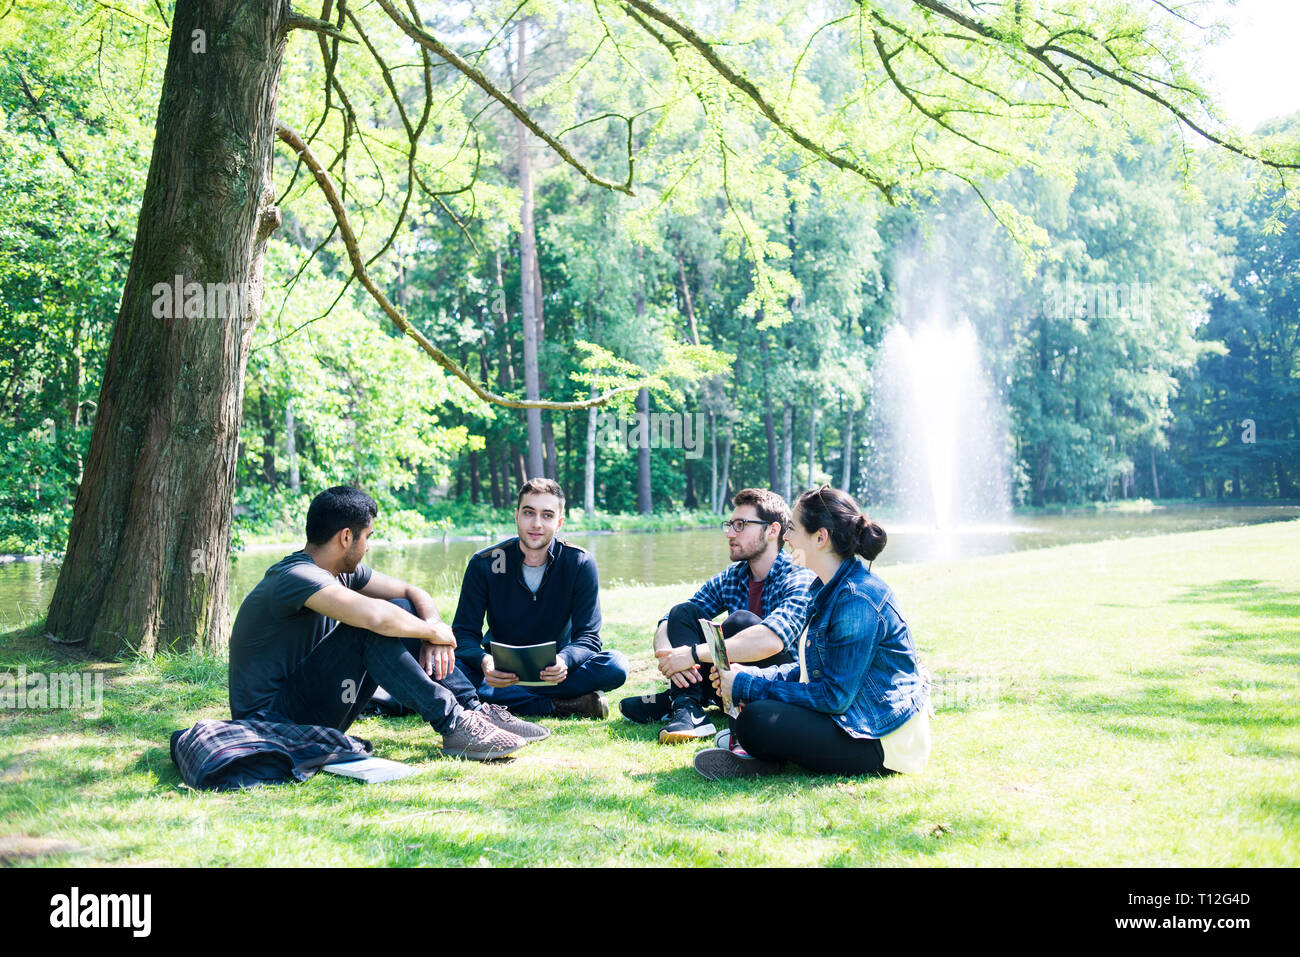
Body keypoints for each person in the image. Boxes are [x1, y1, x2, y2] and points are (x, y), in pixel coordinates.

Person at [228, 486, 549, 763]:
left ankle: (473, 710)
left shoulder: (340, 571)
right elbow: (374, 618)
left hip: (313, 706)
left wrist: (432, 630)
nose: (368, 546)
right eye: (367, 537)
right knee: (372, 627)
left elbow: (412, 593)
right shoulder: (297, 577)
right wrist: (431, 631)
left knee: (403, 610)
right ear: (345, 537)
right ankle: (453, 724)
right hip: (273, 722)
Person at [693, 485, 931, 780]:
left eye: (793, 529)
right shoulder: (826, 589)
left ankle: (762, 751)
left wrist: (747, 686)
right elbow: (809, 672)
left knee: (756, 720)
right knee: (756, 714)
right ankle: (761, 752)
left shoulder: (858, 599)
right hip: (853, 717)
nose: (787, 538)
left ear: (820, 538)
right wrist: (750, 677)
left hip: (880, 739)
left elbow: (833, 697)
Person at [619, 488, 816, 744]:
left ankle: (681, 698)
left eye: (740, 525)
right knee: (685, 612)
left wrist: (689, 655)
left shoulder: (799, 576)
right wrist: (666, 651)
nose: (729, 533)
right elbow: (675, 616)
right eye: (730, 524)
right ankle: (687, 704)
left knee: (739, 622)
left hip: (777, 680)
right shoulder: (734, 575)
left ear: (772, 530)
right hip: (724, 676)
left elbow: (773, 641)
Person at [451, 478, 628, 718]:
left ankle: (485, 698)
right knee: (444, 668)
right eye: (528, 513)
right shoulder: (485, 563)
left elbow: (588, 637)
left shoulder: (579, 562)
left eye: (547, 515)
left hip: (555, 670)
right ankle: (559, 705)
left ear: (559, 522)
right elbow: (462, 634)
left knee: (615, 665)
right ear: (516, 516)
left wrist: (564, 660)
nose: (536, 524)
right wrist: (484, 661)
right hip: (499, 670)